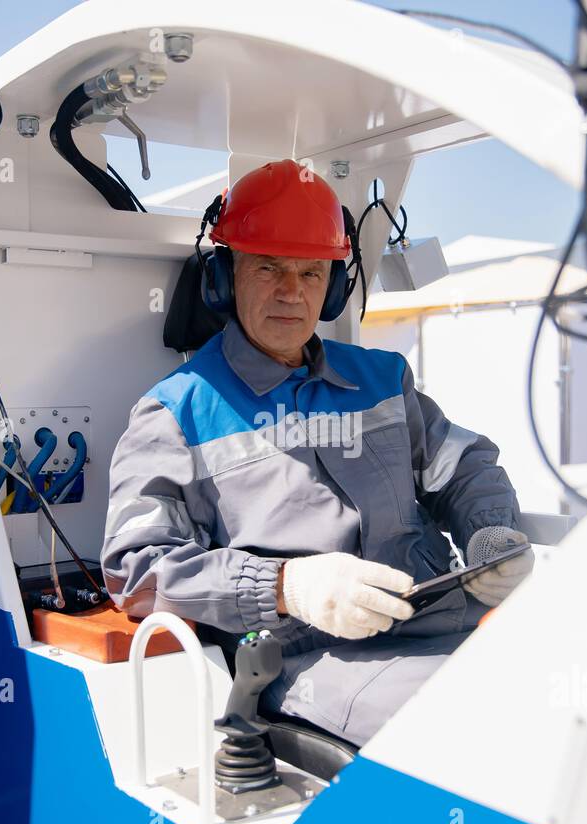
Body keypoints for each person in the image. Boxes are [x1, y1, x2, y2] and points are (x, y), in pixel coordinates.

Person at [101, 159, 533, 747]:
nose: (290, 292)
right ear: (224, 279)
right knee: (478, 727)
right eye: (268, 268)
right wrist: (285, 587)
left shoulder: (384, 379)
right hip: (317, 662)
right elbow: (137, 569)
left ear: (333, 288)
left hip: (445, 623)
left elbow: (465, 466)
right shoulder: (174, 414)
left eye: (310, 273)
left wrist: (492, 535)